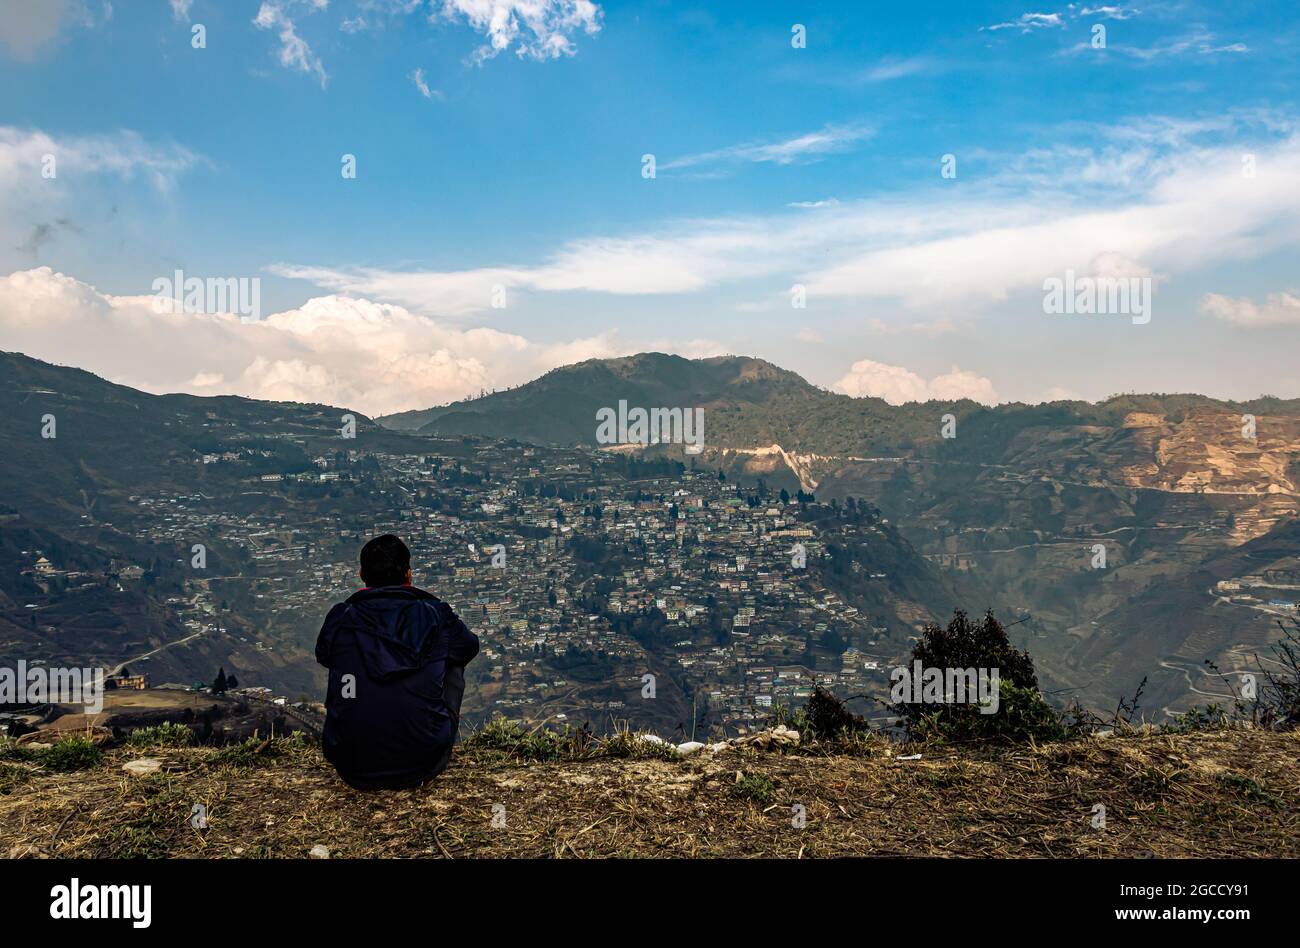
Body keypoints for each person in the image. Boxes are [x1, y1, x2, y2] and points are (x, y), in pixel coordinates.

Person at [315, 534, 479, 790]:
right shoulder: (436, 615)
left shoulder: (342, 616)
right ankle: (420, 732)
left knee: (347, 659)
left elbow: (324, 656)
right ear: (408, 574)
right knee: (453, 659)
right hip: (422, 763)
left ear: (361, 575)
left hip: (351, 764)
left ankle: (359, 730)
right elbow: (469, 647)